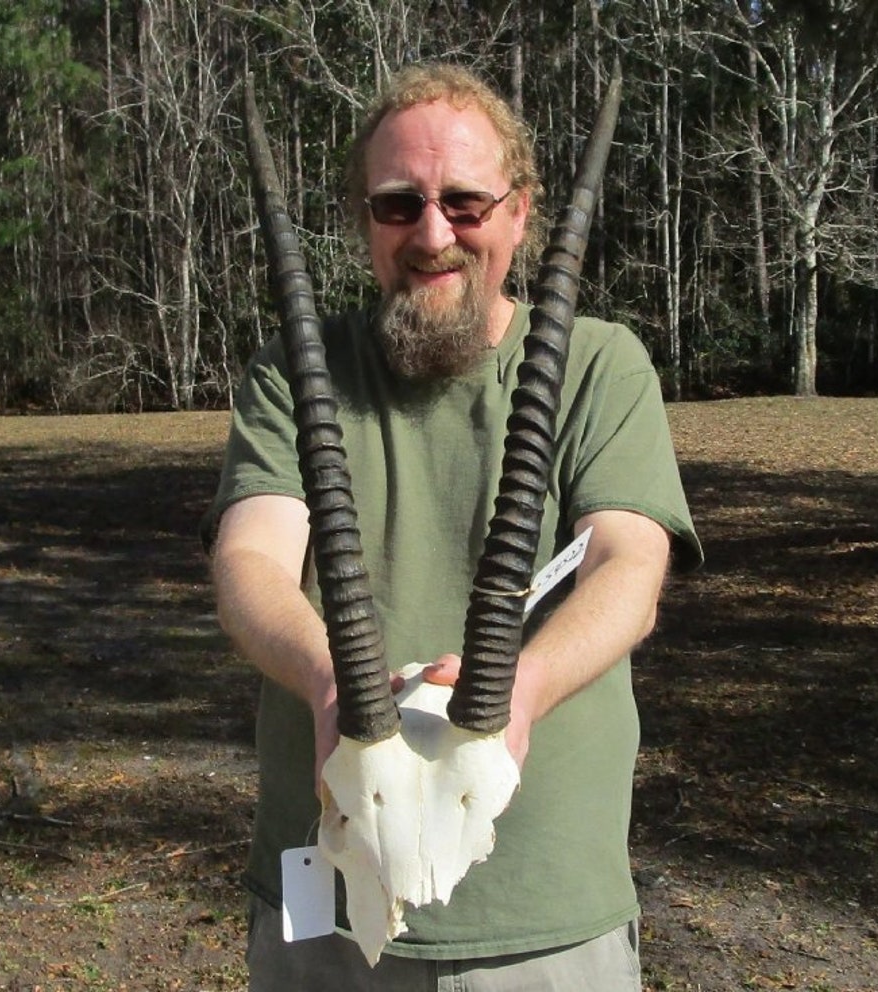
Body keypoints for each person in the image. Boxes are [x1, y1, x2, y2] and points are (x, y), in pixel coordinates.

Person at [203, 62, 702, 992]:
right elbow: (249, 562)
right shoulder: (289, 376)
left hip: (542, 924)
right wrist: (325, 681)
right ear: (364, 218)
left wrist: (527, 688)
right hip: (329, 913)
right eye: (398, 204)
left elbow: (628, 562)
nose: (433, 235)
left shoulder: (602, 368)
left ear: (521, 214)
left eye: (467, 203)